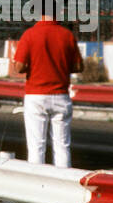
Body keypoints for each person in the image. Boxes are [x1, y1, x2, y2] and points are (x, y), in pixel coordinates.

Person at [12, 13, 83, 167]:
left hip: (36, 95)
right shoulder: (67, 35)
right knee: (62, 147)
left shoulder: (30, 34)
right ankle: (64, 182)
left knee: (36, 147)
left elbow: (19, 67)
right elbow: (78, 66)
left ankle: (37, 184)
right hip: (61, 95)